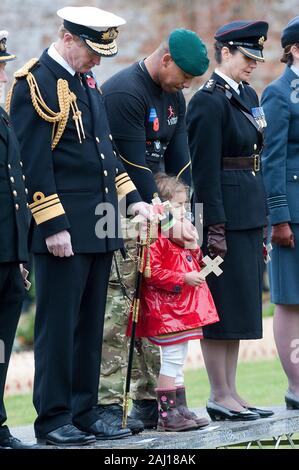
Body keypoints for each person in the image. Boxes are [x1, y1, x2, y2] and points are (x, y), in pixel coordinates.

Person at [8, 6, 149, 446]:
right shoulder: (36, 82)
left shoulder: (84, 81)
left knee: (90, 326)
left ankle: (85, 412)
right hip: (63, 227)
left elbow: (104, 155)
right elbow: (32, 162)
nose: (98, 60)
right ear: (67, 37)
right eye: (92, 49)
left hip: (99, 224)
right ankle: (53, 419)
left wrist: (133, 201)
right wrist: (52, 225)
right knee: (58, 324)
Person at [98, 28, 209, 431]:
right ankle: (108, 404)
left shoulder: (174, 97)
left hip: (160, 216)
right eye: (184, 76)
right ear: (165, 60)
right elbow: (134, 165)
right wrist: (171, 222)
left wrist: (187, 218)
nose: (187, 86)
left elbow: (180, 163)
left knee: (155, 312)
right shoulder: (126, 93)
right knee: (121, 312)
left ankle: (149, 401)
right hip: (122, 213)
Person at [186, 20, 274, 421]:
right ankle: (219, 393)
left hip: (248, 212)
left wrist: (266, 219)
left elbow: (256, 159)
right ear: (224, 52)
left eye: (256, 57)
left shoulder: (247, 95)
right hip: (224, 220)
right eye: (245, 56)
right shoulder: (208, 101)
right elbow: (204, 172)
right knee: (219, 308)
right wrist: (212, 227)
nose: (252, 64)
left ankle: (232, 392)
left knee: (239, 308)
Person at [127, 173, 219, 432]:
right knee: (172, 360)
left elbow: (192, 259)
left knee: (179, 358)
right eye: (178, 206)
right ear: (162, 207)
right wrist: (183, 278)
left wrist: (192, 245)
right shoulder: (156, 234)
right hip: (168, 309)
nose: (185, 210)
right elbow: (151, 272)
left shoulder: (180, 234)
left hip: (183, 309)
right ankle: (167, 414)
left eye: (186, 205)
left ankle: (180, 408)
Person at [261, 16, 299, 410]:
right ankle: (296, 387)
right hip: (293, 208)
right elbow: (271, 158)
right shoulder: (278, 92)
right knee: (290, 298)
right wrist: (279, 217)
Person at [0, 31, 32, 449]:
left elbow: (15, 188)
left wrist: (21, 254)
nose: (4, 74)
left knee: (2, 345)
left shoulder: (4, 115)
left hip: (9, 256)